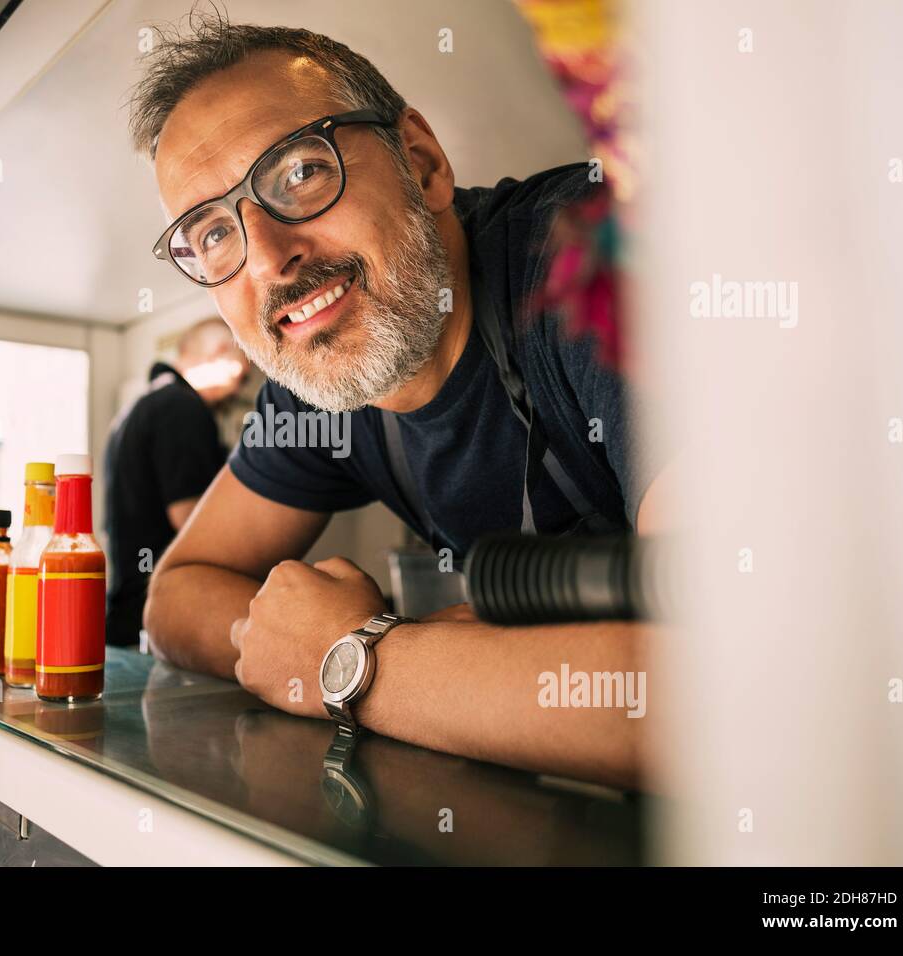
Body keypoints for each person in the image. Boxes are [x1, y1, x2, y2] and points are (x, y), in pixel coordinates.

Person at [130, 13, 673, 788]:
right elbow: (177, 596)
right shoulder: (312, 393)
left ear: (421, 163)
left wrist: (354, 659)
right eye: (213, 233)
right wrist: (373, 649)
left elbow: (740, 680)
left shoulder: (593, 262)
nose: (271, 260)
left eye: (298, 173)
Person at [103, 317, 248, 646]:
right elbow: (190, 517)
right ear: (222, 353)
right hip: (159, 619)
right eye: (242, 376)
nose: (239, 391)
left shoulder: (138, 406)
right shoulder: (182, 407)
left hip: (127, 610)